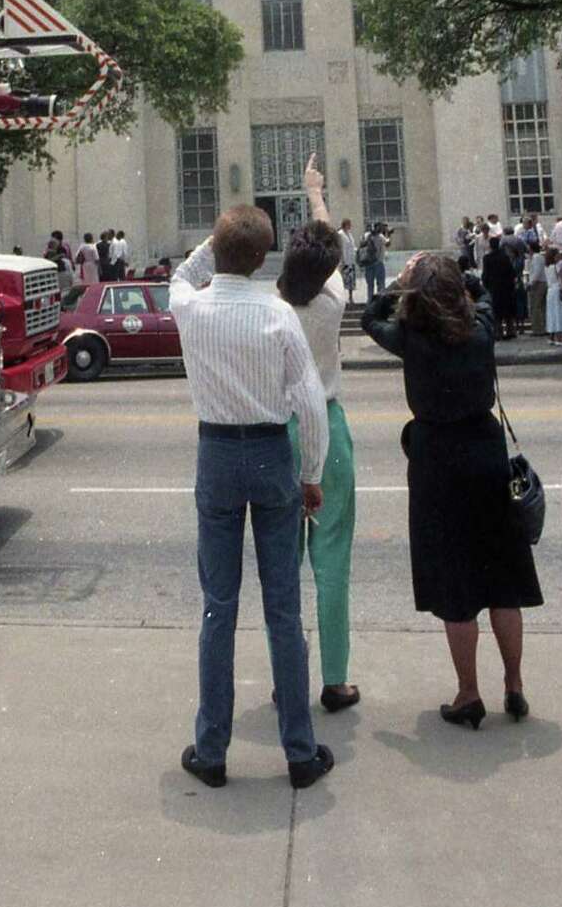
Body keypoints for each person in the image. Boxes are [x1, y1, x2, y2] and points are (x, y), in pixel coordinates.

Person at [172, 206, 335, 790]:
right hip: (271, 453)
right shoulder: (278, 314)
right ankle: (299, 750)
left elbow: (181, 278)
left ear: (214, 250)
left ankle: (212, 749)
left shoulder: (191, 308)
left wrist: (210, 249)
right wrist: (311, 472)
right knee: (284, 611)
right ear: (265, 258)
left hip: (216, 452)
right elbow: (311, 403)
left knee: (219, 606)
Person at [362, 253, 542, 727]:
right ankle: (515, 684)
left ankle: (468, 692)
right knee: (504, 582)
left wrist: (399, 284)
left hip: (437, 460)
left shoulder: (410, 338)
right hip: (485, 452)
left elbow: (369, 317)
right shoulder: (481, 330)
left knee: (455, 585)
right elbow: (482, 296)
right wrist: (458, 280)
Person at [276, 157, 359, 713]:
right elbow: (332, 250)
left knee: (283, 564)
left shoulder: (273, 310)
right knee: (332, 563)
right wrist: (315, 194)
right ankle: (334, 679)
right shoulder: (335, 302)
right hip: (326, 427)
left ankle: (288, 677)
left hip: (279, 433)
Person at [481, 235, 518, 340]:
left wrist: (486, 285)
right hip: (506, 287)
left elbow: (485, 274)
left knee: (496, 311)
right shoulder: (505, 257)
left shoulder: (487, 258)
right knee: (507, 310)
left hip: (494, 288)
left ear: (490, 246)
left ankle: (498, 332)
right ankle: (510, 331)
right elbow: (511, 272)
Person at [526, 243, 548, 338]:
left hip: (538, 283)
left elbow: (537, 271)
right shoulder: (540, 257)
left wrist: (531, 283)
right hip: (542, 282)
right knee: (541, 307)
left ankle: (538, 329)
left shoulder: (536, 257)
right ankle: (544, 327)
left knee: (535, 306)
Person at [338, 218, 357, 304]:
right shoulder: (340, 234)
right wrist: (343, 261)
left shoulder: (349, 234)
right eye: (349, 224)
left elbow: (352, 246)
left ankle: (350, 297)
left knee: (351, 280)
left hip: (351, 261)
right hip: (344, 262)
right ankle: (340, 298)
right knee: (343, 281)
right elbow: (341, 248)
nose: (350, 226)